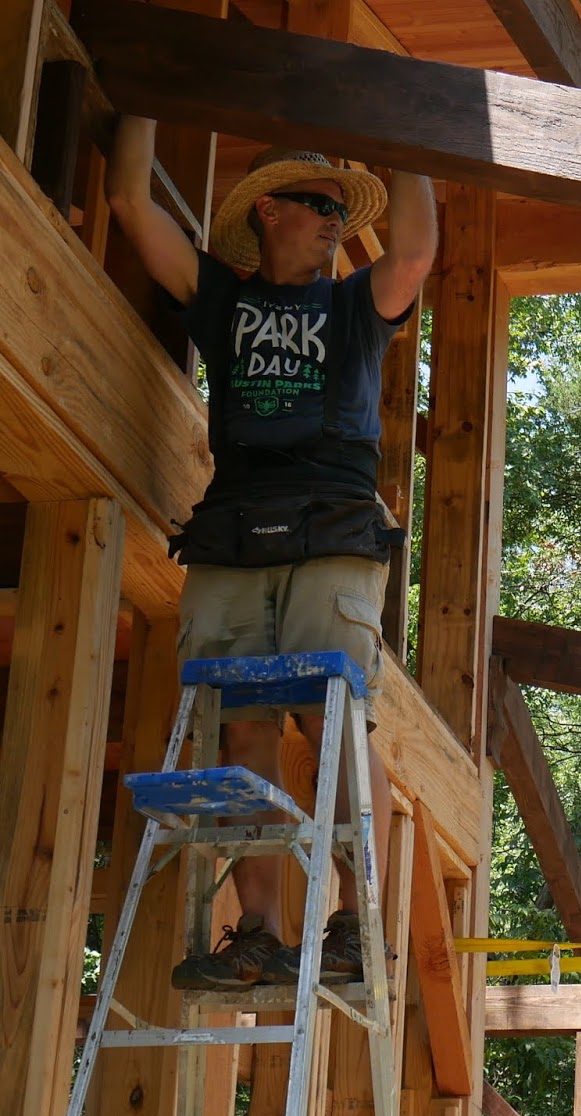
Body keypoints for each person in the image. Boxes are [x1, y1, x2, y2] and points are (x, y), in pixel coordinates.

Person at [106, 117, 438, 989]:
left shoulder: (356, 306)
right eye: (319, 205)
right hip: (232, 529)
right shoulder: (222, 299)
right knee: (238, 723)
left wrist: (407, 121)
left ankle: (356, 925)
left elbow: (411, 252)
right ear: (266, 212)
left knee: (332, 714)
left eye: (340, 207)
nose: (335, 221)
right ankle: (258, 933)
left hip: (333, 527)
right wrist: (149, 97)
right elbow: (127, 201)